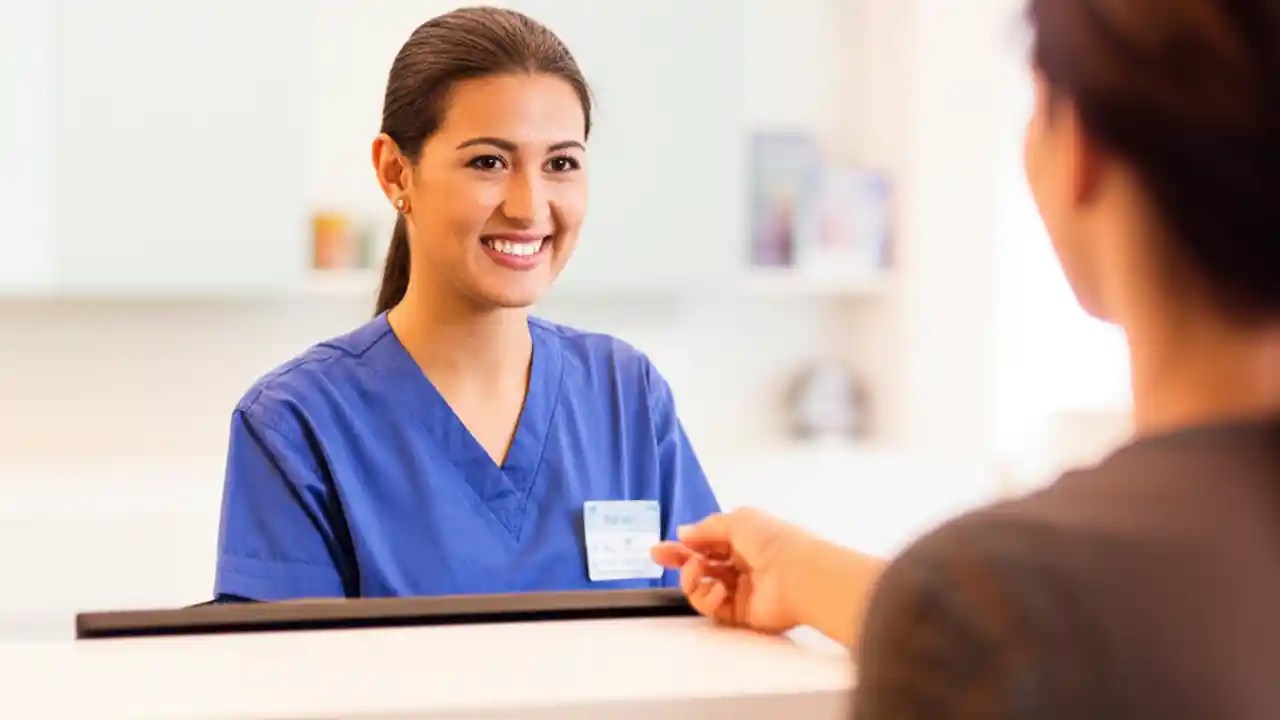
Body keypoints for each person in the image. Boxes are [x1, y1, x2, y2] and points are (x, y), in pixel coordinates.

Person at [655, 0, 1280, 717]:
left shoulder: (984, 598)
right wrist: (805, 572)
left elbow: (1018, 634)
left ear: (1081, 147)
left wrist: (936, 609)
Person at [213, 7, 718, 602]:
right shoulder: (298, 423)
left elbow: (701, 634)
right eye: (489, 162)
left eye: (560, 164)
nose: (529, 207)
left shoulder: (626, 396)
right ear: (396, 171)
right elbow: (284, 682)